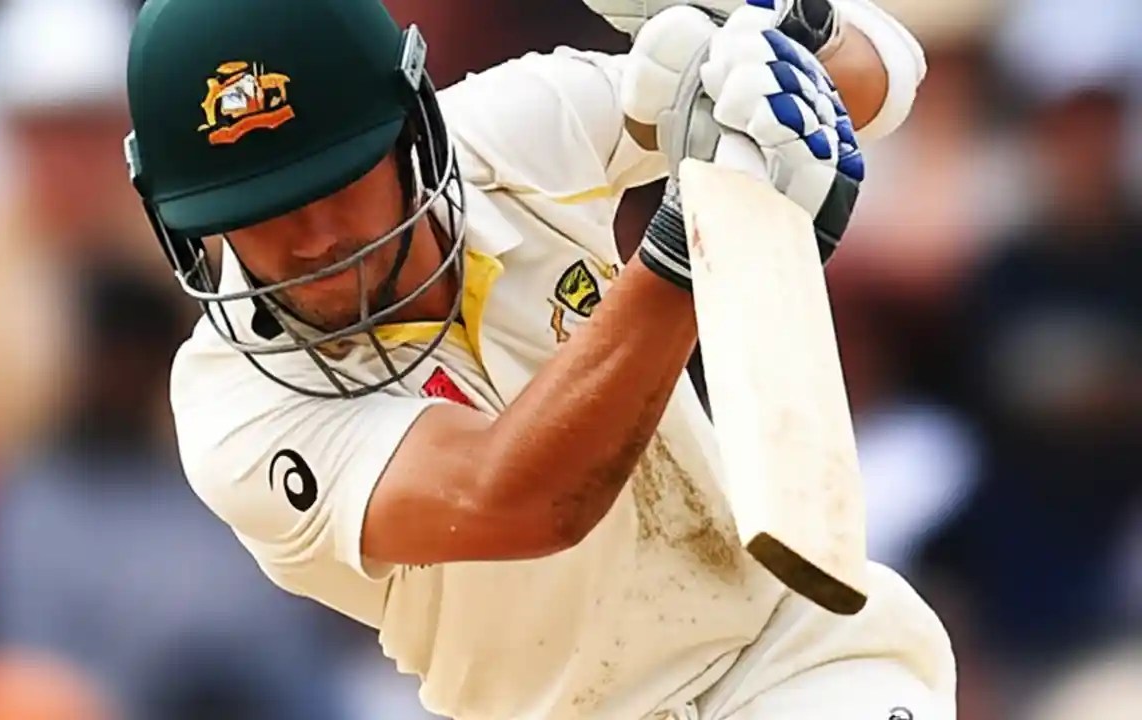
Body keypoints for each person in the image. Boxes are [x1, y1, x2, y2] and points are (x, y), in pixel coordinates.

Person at [124, 0, 953, 718]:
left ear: (412, 124)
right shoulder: (229, 409)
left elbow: (877, 81)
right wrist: (694, 236)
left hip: (788, 652)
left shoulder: (506, 132)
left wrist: (782, 36)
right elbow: (520, 498)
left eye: (338, 180)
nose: (317, 240)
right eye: (261, 211)